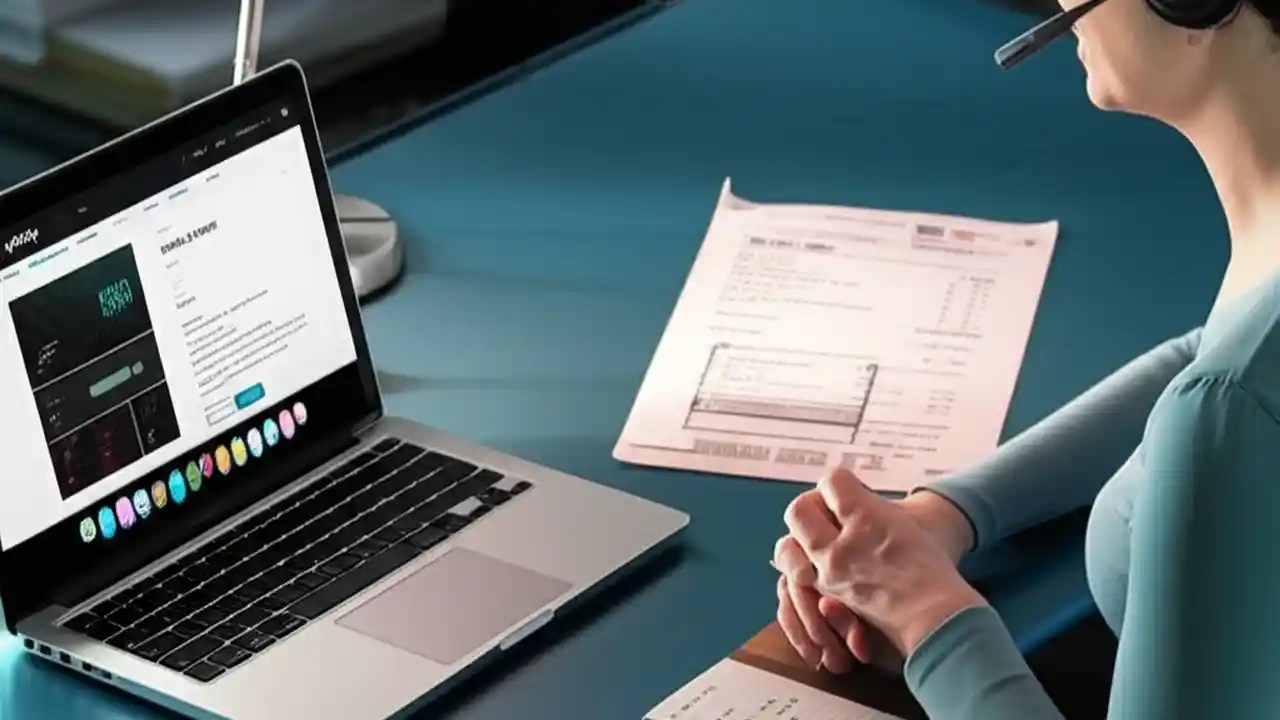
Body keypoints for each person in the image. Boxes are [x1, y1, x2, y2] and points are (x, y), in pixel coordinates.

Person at [771, 0, 1280, 717]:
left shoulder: (1233, 407)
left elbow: (1232, 399)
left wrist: (925, 616)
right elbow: (1218, 352)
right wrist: (951, 513)